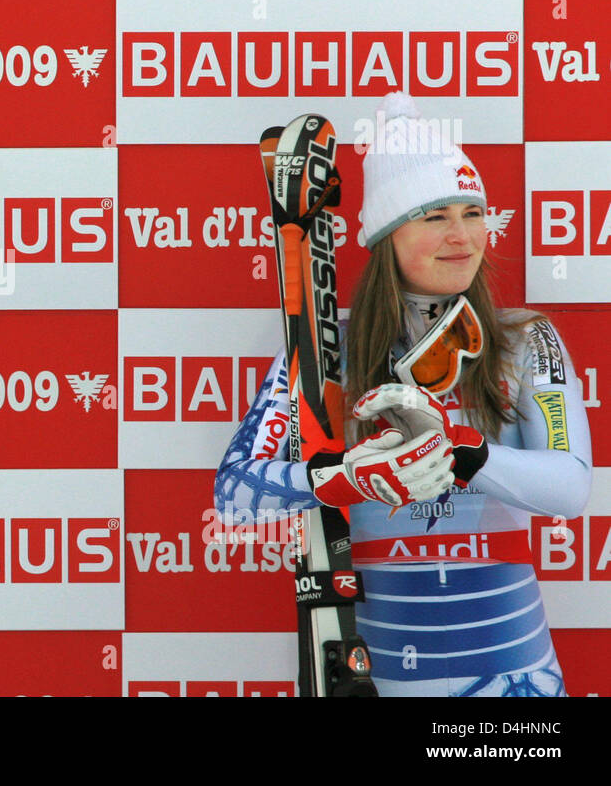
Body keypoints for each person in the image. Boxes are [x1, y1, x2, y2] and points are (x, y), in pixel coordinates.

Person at [215, 93, 591, 697]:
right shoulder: (325, 348)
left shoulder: (524, 338)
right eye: (435, 215)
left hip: (514, 677)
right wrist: (347, 478)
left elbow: (571, 487)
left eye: (473, 212)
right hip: (383, 674)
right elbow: (235, 495)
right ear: (388, 235)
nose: (463, 236)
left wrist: (458, 450)